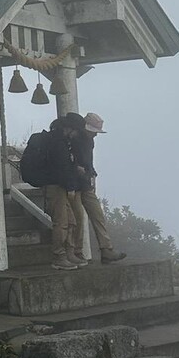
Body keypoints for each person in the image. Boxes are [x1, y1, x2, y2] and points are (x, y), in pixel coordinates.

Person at [71, 111, 126, 264]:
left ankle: (106, 249)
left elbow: (88, 161)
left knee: (98, 215)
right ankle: (77, 251)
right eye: (93, 131)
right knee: (78, 218)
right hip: (74, 184)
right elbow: (68, 160)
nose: (95, 135)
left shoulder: (90, 142)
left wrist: (91, 174)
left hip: (86, 183)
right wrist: (77, 168)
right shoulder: (73, 139)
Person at [43, 115, 90, 270]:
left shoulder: (62, 142)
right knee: (62, 223)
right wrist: (70, 186)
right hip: (55, 186)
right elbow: (62, 168)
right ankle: (59, 256)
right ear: (70, 128)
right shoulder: (58, 143)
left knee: (71, 221)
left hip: (60, 186)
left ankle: (69, 253)